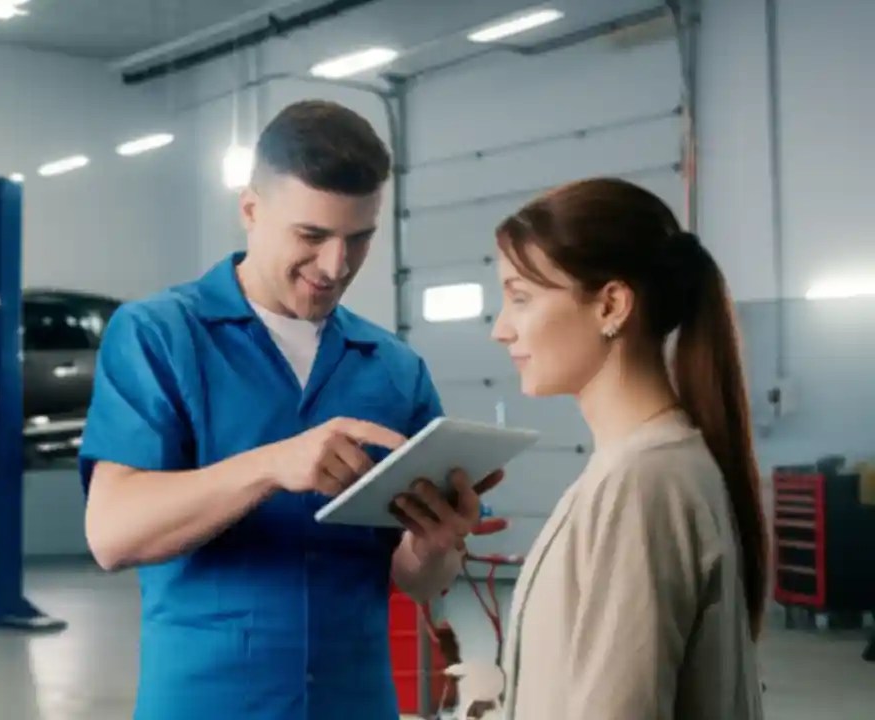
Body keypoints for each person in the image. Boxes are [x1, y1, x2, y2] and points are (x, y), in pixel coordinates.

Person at [78, 99, 497, 719]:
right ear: (250, 209)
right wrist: (273, 466)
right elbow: (111, 534)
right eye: (312, 235)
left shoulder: (392, 367)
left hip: (354, 703)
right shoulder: (160, 335)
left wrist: (435, 545)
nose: (336, 266)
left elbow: (421, 582)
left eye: (359, 239)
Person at [487, 177, 768, 719]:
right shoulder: (650, 466)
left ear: (611, 305)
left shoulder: (642, 484)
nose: (501, 329)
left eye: (520, 297)